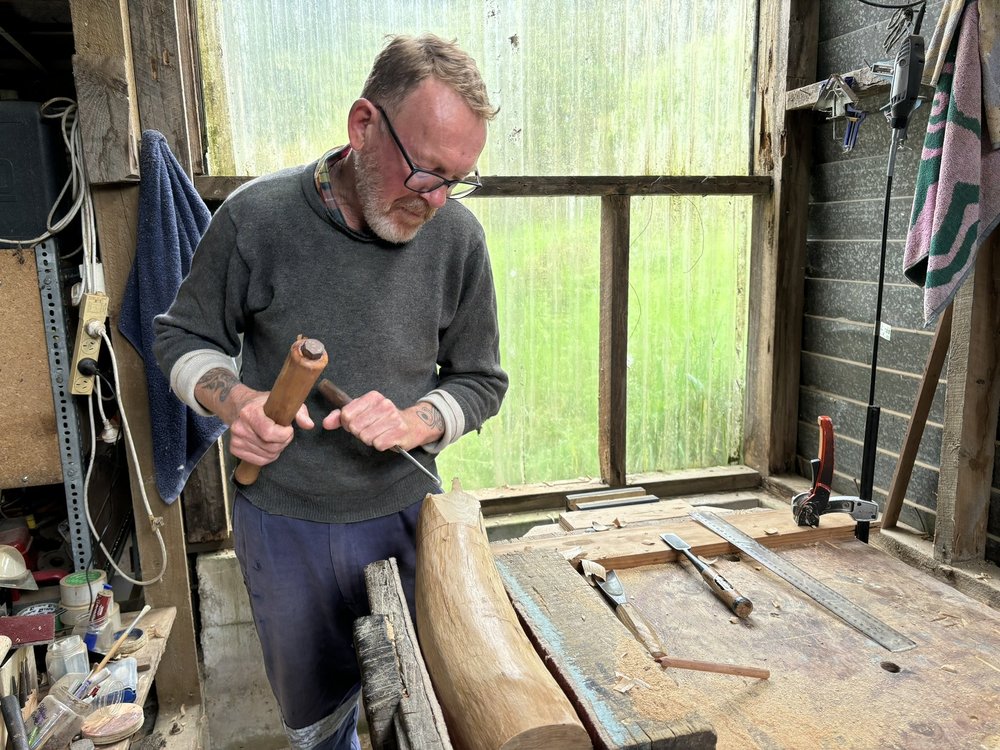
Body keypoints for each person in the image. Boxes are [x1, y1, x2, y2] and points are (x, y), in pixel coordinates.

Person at [153, 33, 507, 750]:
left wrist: (418, 419)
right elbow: (177, 338)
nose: (436, 200)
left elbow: (481, 381)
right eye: (425, 171)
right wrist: (235, 402)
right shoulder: (256, 219)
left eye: (457, 180)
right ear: (363, 126)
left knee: (414, 715)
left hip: (404, 517)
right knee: (318, 723)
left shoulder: (457, 240)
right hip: (283, 525)